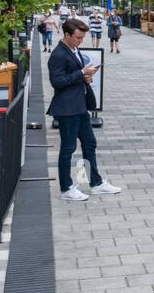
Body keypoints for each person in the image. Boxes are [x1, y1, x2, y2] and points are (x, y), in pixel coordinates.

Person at [48, 18, 121, 202]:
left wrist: (85, 77)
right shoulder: (58, 54)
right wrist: (81, 74)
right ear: (67, 35)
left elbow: (72, 77)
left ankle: (94, 183)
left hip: (80, 106)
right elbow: (57, 82)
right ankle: (66, 188)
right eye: (78, 38)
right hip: (67, 108)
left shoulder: (73, 49)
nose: (81, 41)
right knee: (68, 148)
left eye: (82, 38)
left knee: (89, 144)